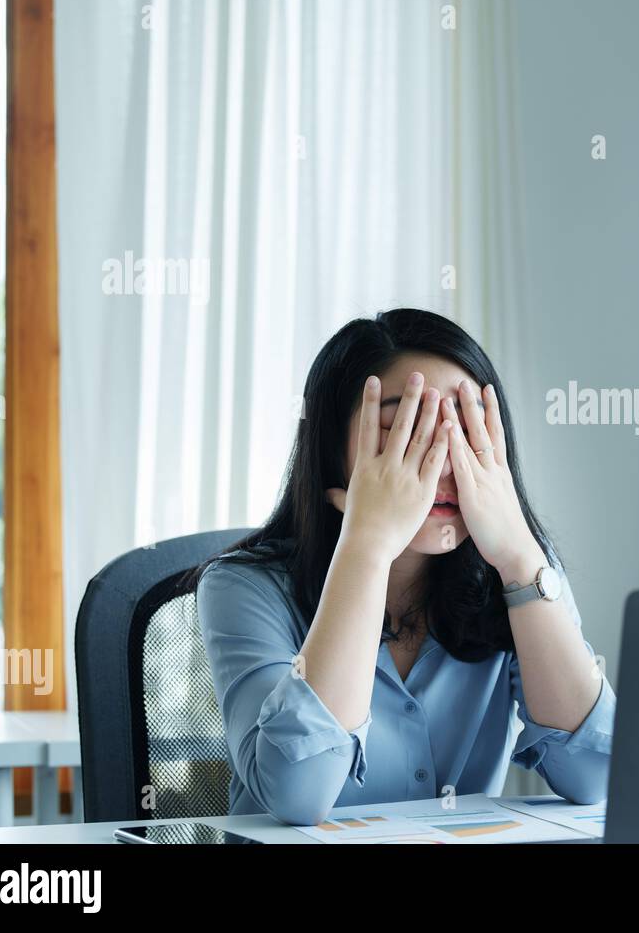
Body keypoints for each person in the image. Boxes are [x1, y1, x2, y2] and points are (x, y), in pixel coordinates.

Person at [193, 308, 614, 825]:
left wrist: (522, 559)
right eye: (406, 430)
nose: (443, 459)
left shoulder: (523, 573)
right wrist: (367, 546)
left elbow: (593, 774)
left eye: (466, 430)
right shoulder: (243, 587)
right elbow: (298, 796)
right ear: (333, 451)